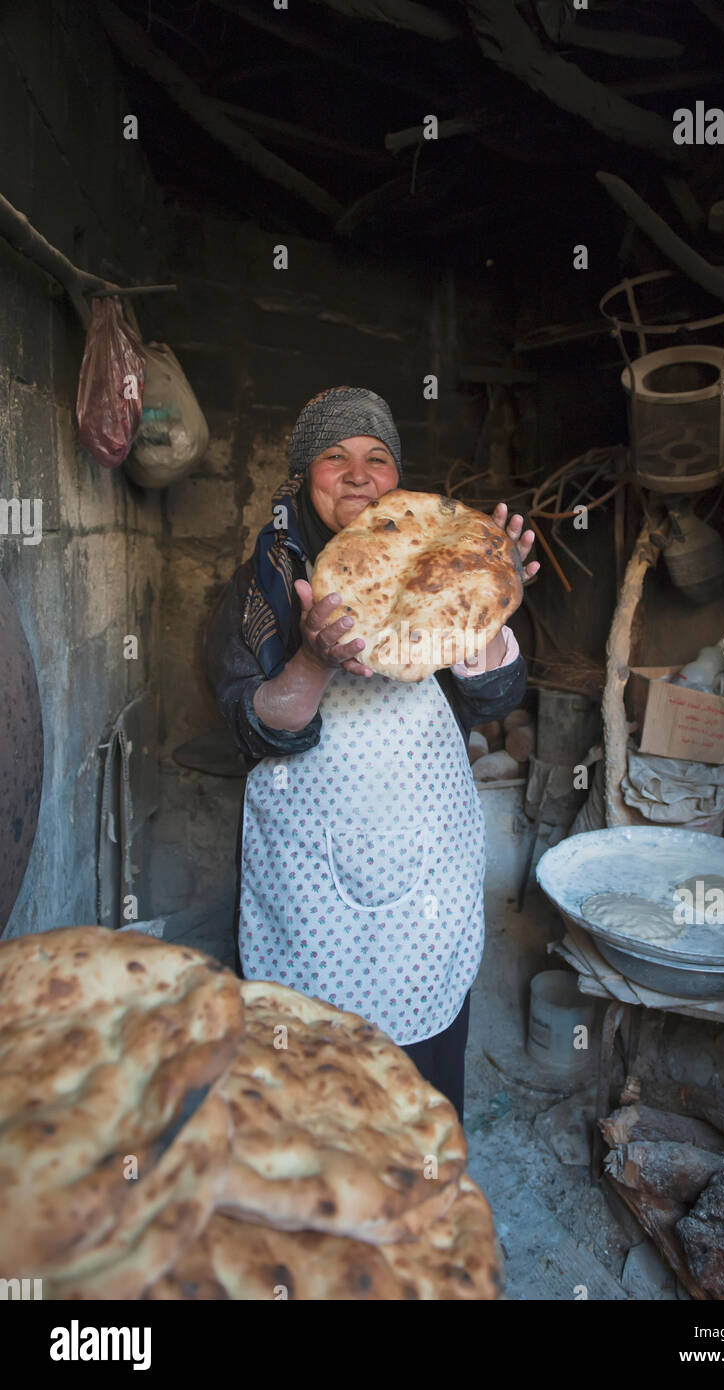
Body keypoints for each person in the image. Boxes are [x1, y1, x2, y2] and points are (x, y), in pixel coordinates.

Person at [206, 386, 539, 1120]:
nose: (358, 473)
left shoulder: (440, 566)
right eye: (336, 456)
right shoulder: (262, 583)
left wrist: (491, 593)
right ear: (304, 475)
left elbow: (494, 696)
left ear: (398, 478)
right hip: (309, 875)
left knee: (420, 1086)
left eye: (377, 458)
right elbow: (249, 728)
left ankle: (419, 1221)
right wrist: (314, 658)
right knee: (312, 1080)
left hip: (424, 862)